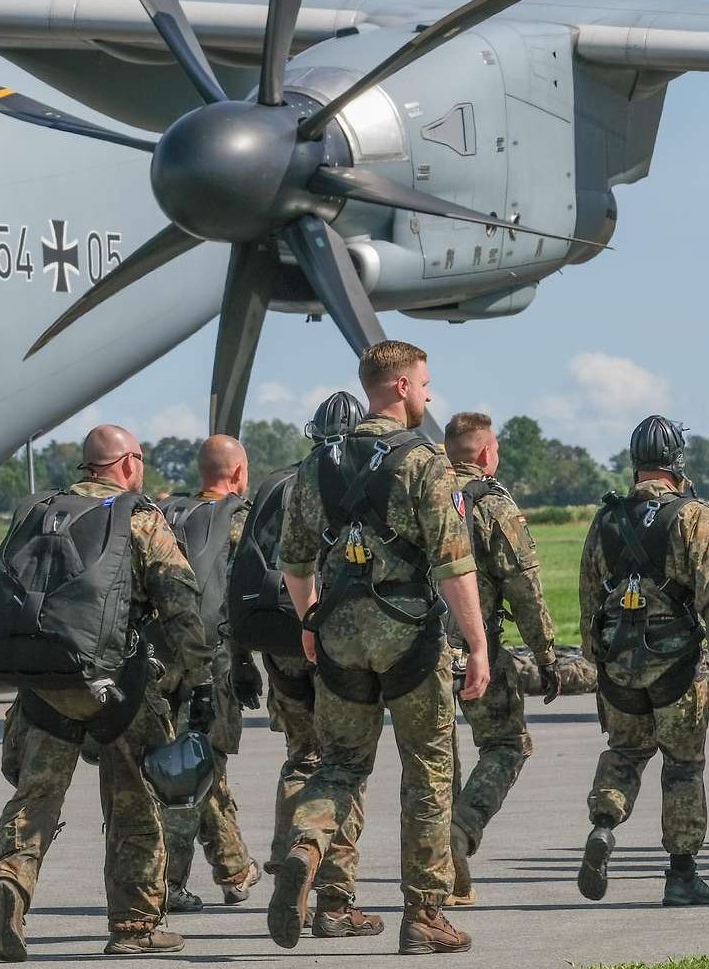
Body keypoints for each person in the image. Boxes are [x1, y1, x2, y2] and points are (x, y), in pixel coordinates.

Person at [269, 341, 488, 956]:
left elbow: (294, 556)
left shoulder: (320, 462)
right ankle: (424, 915)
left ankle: (306, 846)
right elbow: (453, 561)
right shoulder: (425, 460)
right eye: (424, 384)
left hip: (339, 632)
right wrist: (475, 641)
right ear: (398, 387)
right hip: (409, 632)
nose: (428, 396)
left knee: (339, 765)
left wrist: (311, 618)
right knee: (429, 773)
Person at [0, 424, 216, 959]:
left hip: (44, 682)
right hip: (120, 685)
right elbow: (180, 599)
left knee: (36, 796)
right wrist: (199, 676)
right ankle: (134, 927)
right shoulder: (138, 516)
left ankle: (9, 882)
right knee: (135, 802)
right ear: (128, 463)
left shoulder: (36, 511)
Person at [575, 415, 709, 908]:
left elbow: (589, 595)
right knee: (683, 767)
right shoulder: (693, 516)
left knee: (625, 754)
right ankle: (682, 874)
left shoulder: (606, 518)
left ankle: (605, 824)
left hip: (618, 666)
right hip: (676, 665)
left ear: (635, 463)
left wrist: (597, 660)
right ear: (677, 462)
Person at [246, 393, 383, 939]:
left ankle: (288, 855)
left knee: (302, 756)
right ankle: (334, 900)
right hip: (333, 638)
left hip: (278, 646)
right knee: (346, 766)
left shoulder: (280, 483)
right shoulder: (360, 481)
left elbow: (246, 569)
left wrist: (240, 656)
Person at [442, 411, 558, 905]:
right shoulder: (491, 504)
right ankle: (463, 829)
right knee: (507, 744)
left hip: (414, 650)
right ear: (487, 453)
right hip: (476, 650)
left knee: (433, 767)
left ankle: (445, 875)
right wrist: (546, 653)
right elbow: (524, 587)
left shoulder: (416, 495)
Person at [156, 435, 262, 913]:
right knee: (192, 769)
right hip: (209, 662)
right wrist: (244, 664)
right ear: (238, 472)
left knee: (201, 767)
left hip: (157, 661)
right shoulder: (239, 522)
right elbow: (242, 603)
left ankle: (234, 868)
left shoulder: (164, 515)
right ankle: (169, 883)